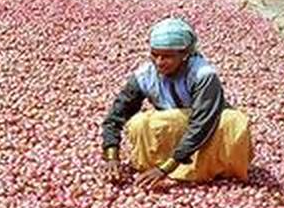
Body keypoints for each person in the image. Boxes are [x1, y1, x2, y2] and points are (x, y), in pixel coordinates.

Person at [101, 18, 253, 189]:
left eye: (167, 56)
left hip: (208, 130)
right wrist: (111, 155)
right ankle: (164, 167)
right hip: (176, 128)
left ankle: (196, 170)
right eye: (154, 54)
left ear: (185, 55)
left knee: (233, 122)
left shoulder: (203, 75)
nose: (159, 62)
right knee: (139, 123)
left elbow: (201, 125)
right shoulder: (145, 76)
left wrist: (165, 169)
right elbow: (116, 116)